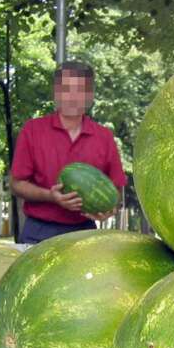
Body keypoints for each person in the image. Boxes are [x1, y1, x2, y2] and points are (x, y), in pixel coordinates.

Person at [10, 61, 127, 244]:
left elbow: (117, 189)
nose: (72, 97)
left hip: (85, 231)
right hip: (38, 232)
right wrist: (50, 196)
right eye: (66, 89)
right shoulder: (32, 130)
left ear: (89, 95)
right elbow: (16, 184)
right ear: (56, 93)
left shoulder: (104, 136)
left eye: (80, 90)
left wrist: (110, 208)